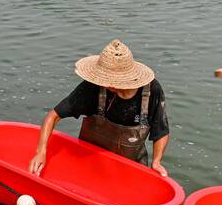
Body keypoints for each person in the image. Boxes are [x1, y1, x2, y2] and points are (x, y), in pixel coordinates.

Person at [29, 39, 172, 177]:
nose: (108, 84)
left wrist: (156, 161)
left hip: (130, 169)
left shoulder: (151, 90)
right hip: (89, 164)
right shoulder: (93, 87)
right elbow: (53, 116)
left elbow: (161, 130)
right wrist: (41, 150)